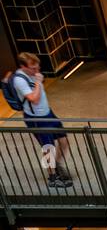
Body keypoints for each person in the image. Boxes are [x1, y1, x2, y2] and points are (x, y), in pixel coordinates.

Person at [7, 52, 72, 188]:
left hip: (48, 113)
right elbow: (34, 99)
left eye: (38, 67)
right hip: (36, 118)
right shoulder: (20, 80)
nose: (37, 71)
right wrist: (37, 81)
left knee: (64, 141)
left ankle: (56, 165)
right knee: (48, 148)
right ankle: (52, 178)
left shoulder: (32, 75)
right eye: (33, 68)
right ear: (23, 67)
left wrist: (36, 79)